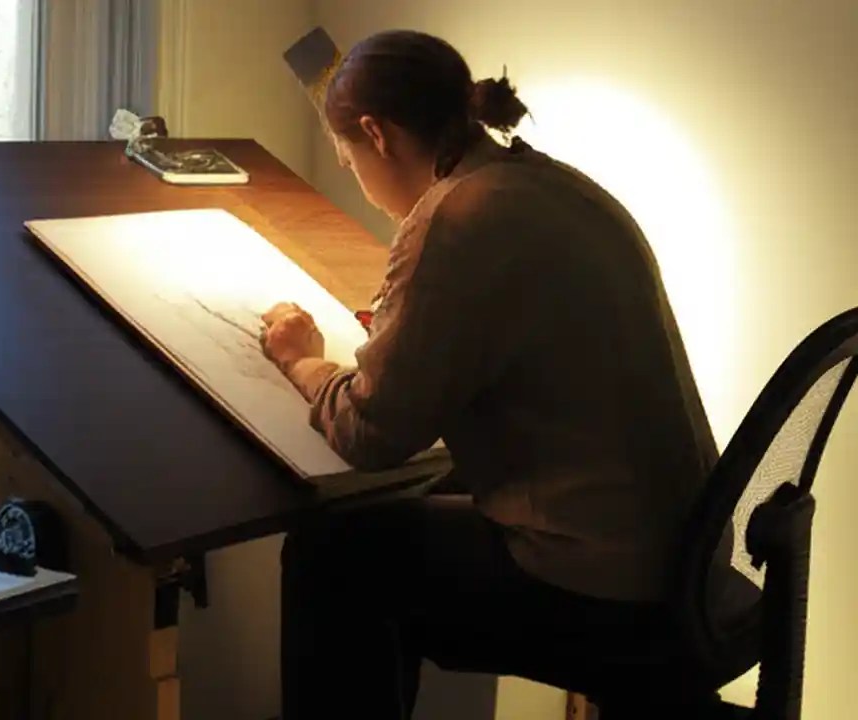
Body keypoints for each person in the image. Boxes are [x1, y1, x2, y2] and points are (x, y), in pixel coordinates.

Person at [259, 30, 721, 719]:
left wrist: (300, 358)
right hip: (687, 554)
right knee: (404, 514)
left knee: (333, 557)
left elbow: (369, 434)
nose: (355, 175)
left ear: (375, 135)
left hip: (606, 585)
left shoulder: (459, 216)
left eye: (348, 159)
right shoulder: (549, 183)